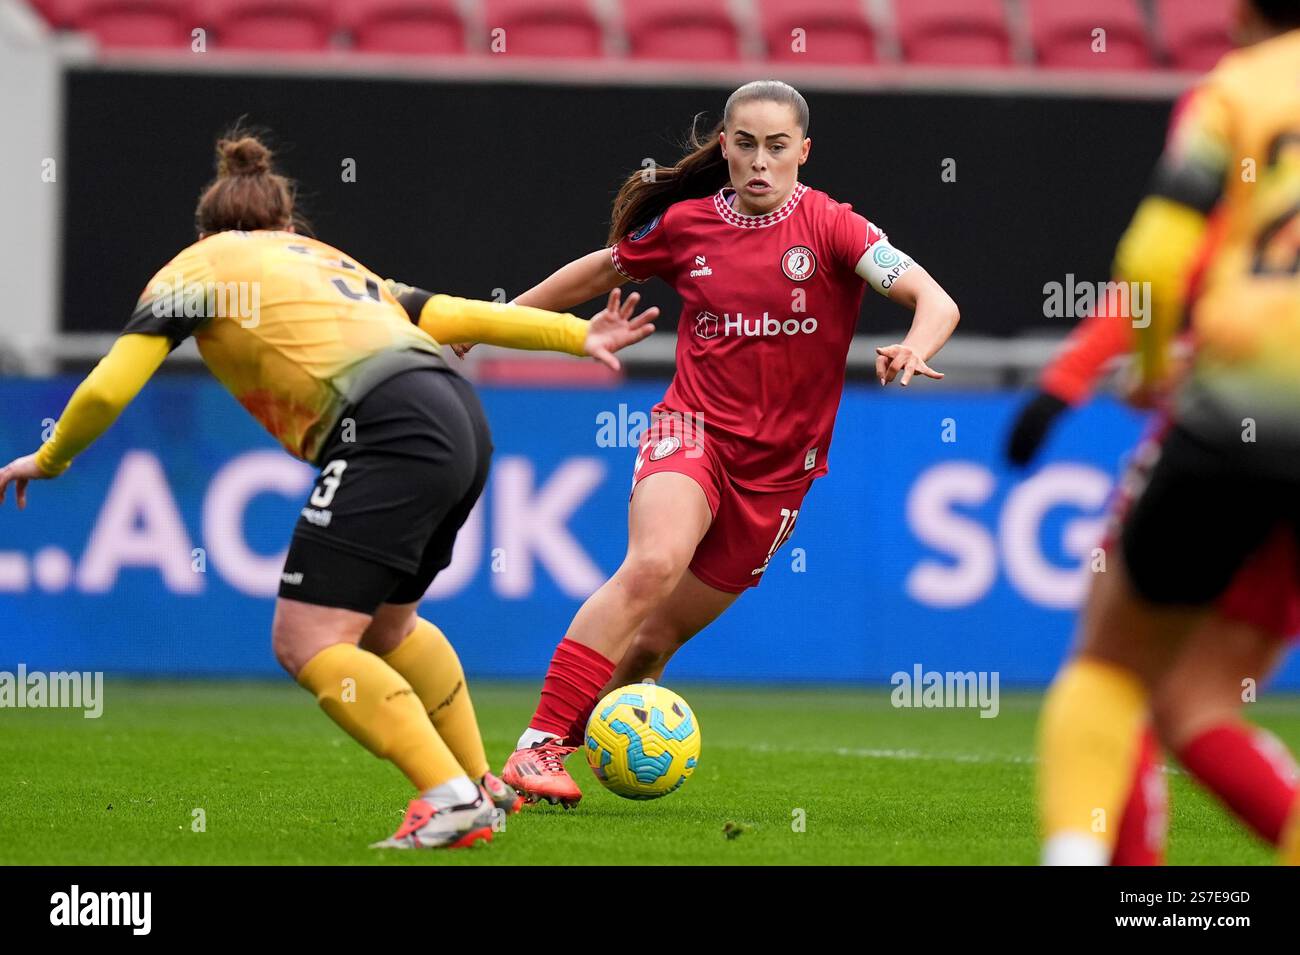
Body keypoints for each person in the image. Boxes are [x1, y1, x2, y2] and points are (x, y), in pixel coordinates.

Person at [0, 131, 657, 848]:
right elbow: (453, 314)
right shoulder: (324, 260)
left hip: (388, 427)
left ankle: (452, 799)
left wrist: (53, 456)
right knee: (387, 628)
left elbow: (108, 388)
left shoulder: (194, 268)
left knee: (306, 637)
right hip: (459, 416)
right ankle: (483, 786)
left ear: (205, 228)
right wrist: (572, 334)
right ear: (287, 225)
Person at [480, 79, 960, 806]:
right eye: (745, 144)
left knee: (651, 643)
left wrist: (915, 344)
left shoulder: (836, 229)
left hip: (779, 474)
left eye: (776, 147)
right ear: (725, 146)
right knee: (654, 562)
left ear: (803, 152)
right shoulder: (687, 225)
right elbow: (600, 268)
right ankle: (538, 744)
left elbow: (936, 297)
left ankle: (551, 761)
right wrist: (493, 322)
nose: (760, 162)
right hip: (691, 430)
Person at [1036, 0, 1300, 865]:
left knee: (1115, 662)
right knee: (1202, 697)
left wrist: (1140, 370)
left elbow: (1154, 258)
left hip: (1239, 400)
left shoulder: (1238, 90)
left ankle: (1079, 855)